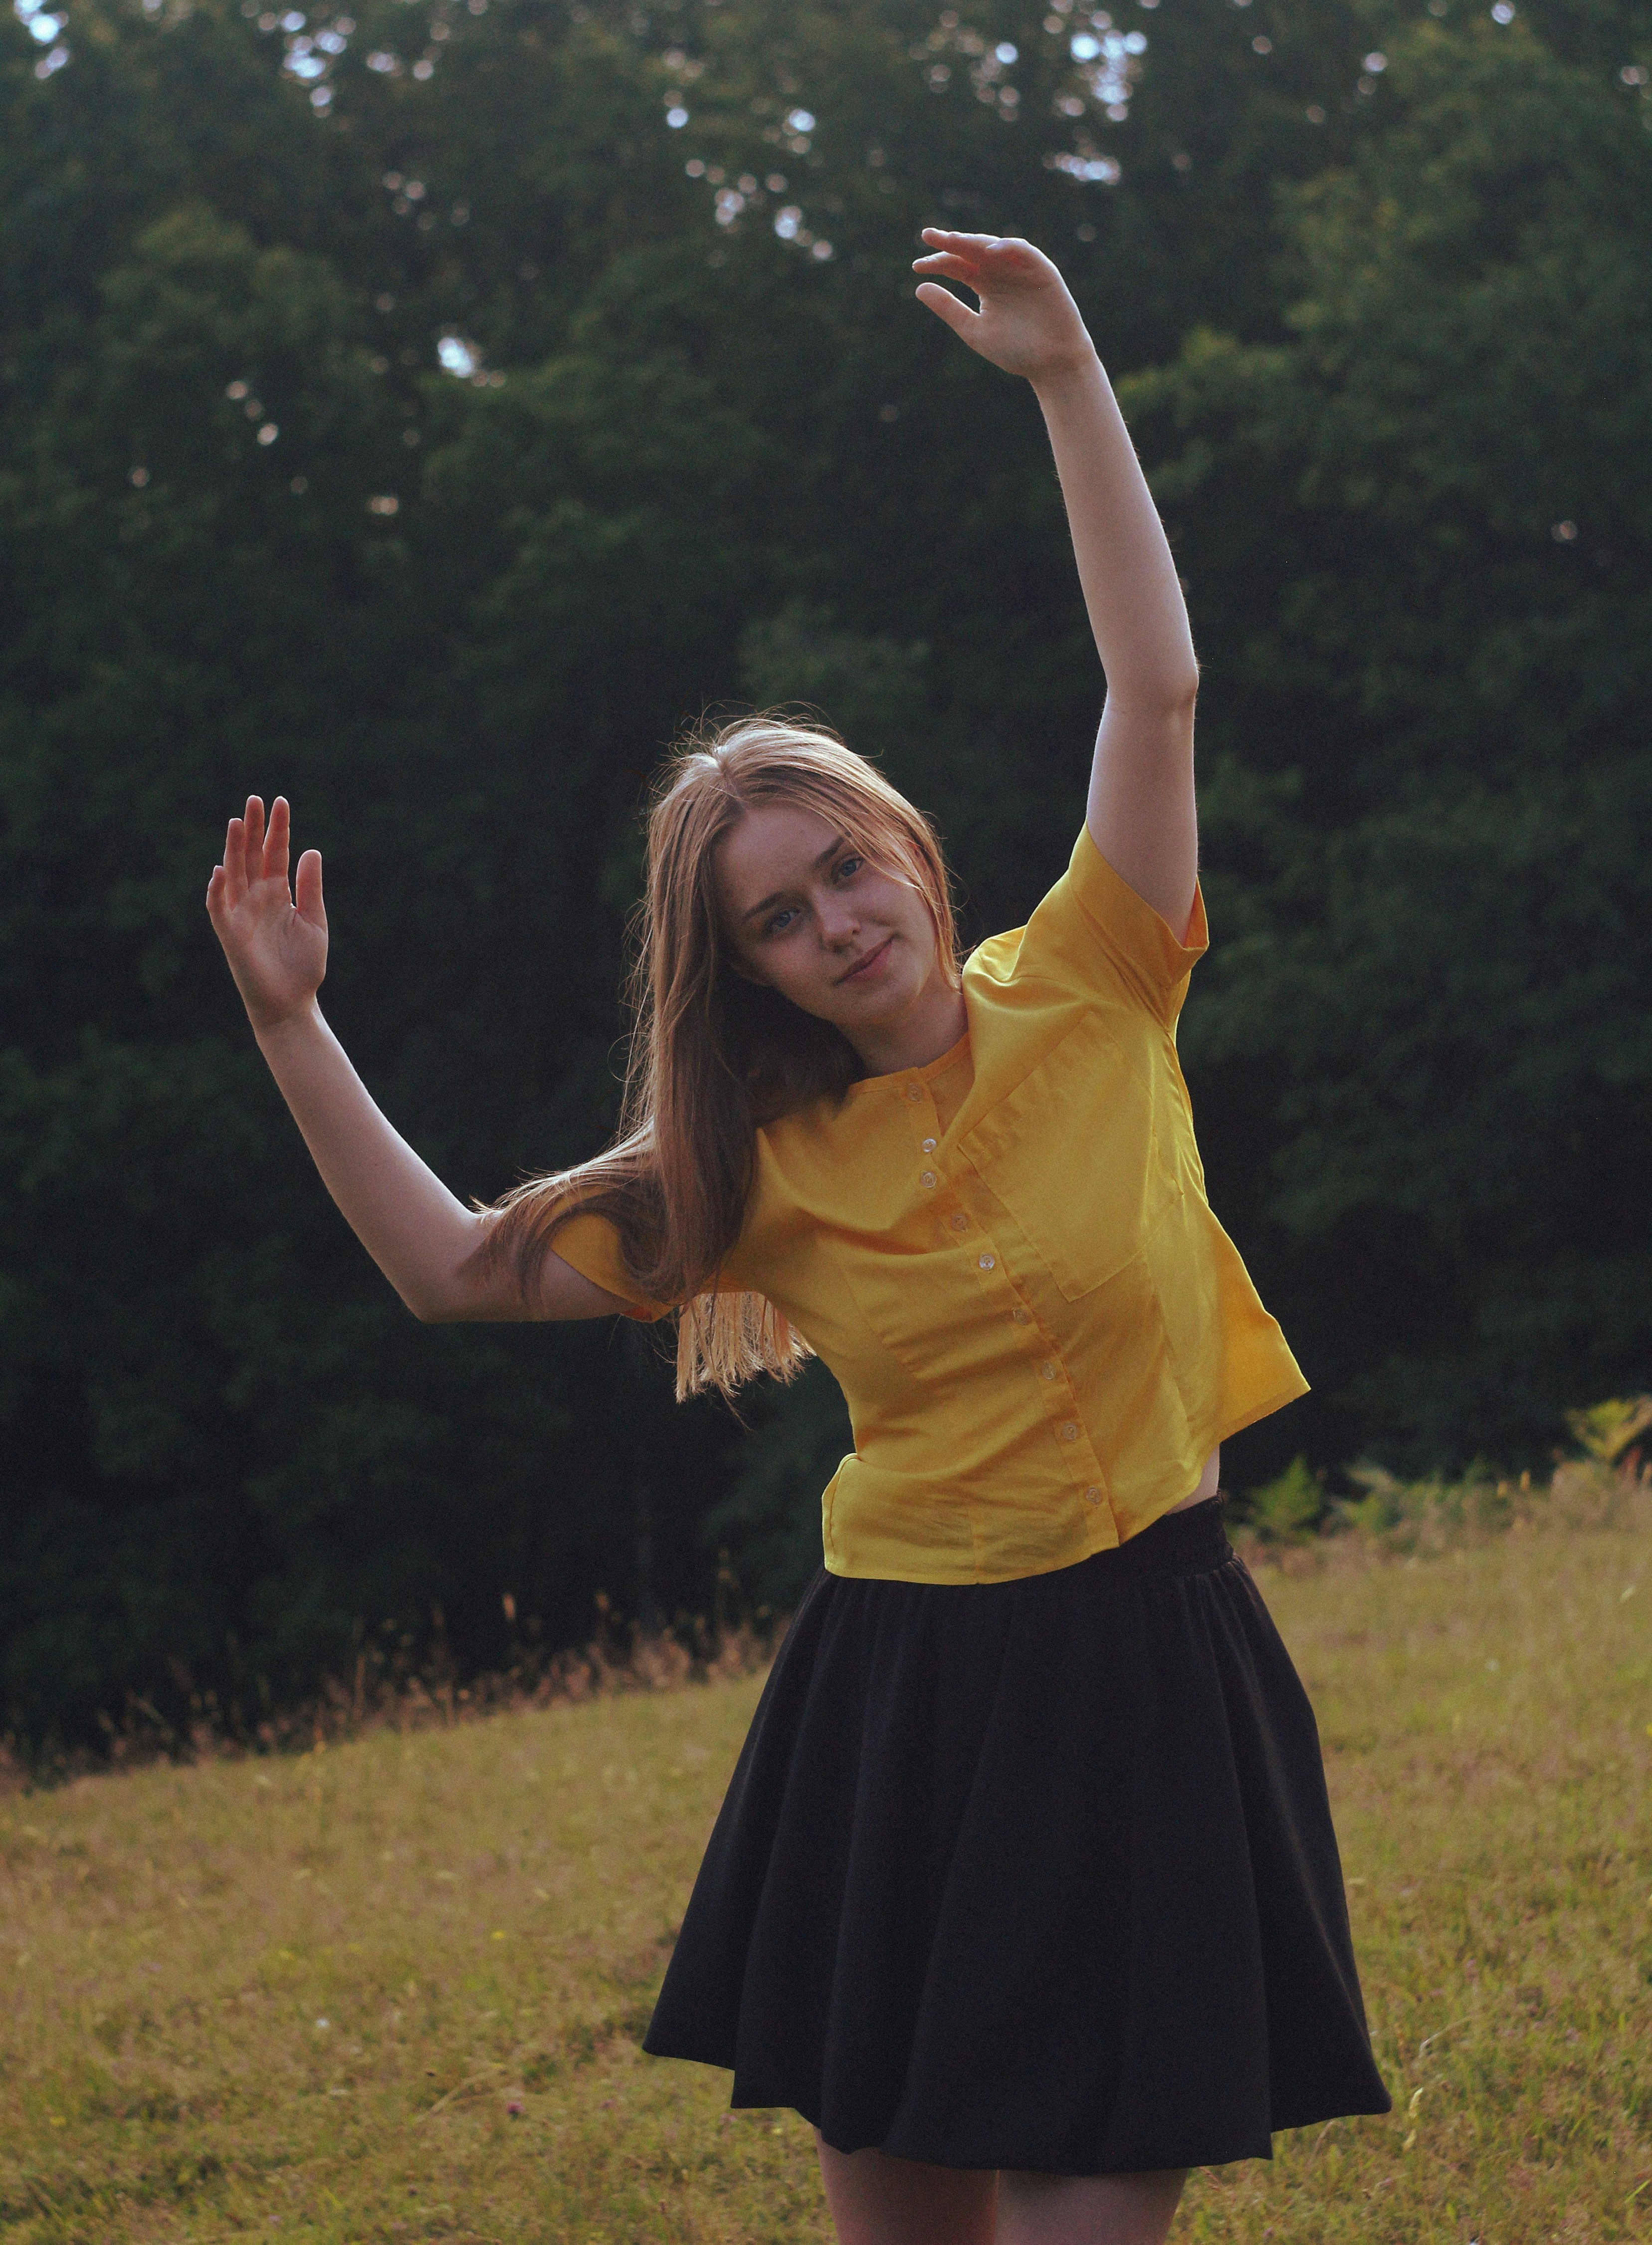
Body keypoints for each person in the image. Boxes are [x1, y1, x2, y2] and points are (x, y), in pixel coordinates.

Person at [206, 229, 1390, 2245]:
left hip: (1153, 1670)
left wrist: (1069, 381)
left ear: (904, 848)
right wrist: (292, 1025)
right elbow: (452, 1270)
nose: (839, 920)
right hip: (906, 1699)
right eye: (780, 915)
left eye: (846, 867)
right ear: (747, 968)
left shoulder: (1100, 973)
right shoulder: (751, 1169)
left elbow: (1158, 684)